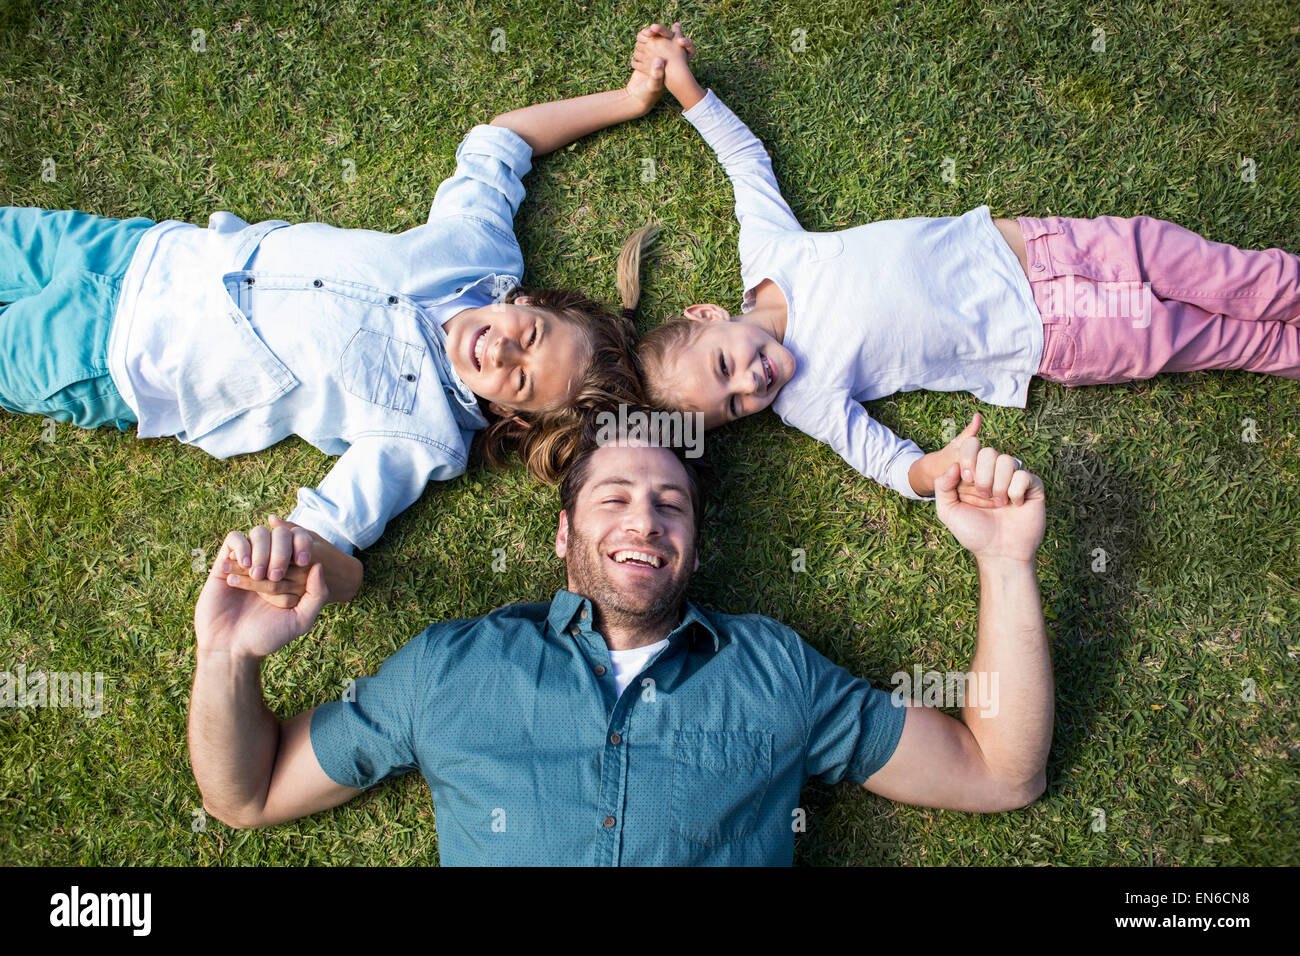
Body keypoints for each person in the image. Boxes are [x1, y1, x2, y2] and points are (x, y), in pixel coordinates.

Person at [187, 408, 1052, 865]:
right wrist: (229, 655)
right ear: (563, 537)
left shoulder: (775, 671)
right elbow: (246, 797)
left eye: (670, 504)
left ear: (696, 546)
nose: (645, 518)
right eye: (613, 499)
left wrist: (1005, 562)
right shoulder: (453, 667)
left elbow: (1001, 774)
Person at [0, 29, 675, 604]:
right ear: (525, 303)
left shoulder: (423, 436)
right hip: (136, 250)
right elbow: (503, 142)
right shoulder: (477, 255)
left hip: (112, 355)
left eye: (520, 380)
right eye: (528, 337)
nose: (500, 352)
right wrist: (630, 98)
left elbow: (333, 528)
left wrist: (294, 560)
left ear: (514, 417)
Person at [625, 23, 1300, 504]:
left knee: (1228, 274)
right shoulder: (806, 400)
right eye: (738, 406)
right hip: (1056, 332)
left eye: (725, 366)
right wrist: (936, 470)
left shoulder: (769, 252)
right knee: (1221, 336)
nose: (752, 383)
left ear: (709, 314)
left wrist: (682, 82)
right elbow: (885, 462)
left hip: (1042, 244)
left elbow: (744, 163)